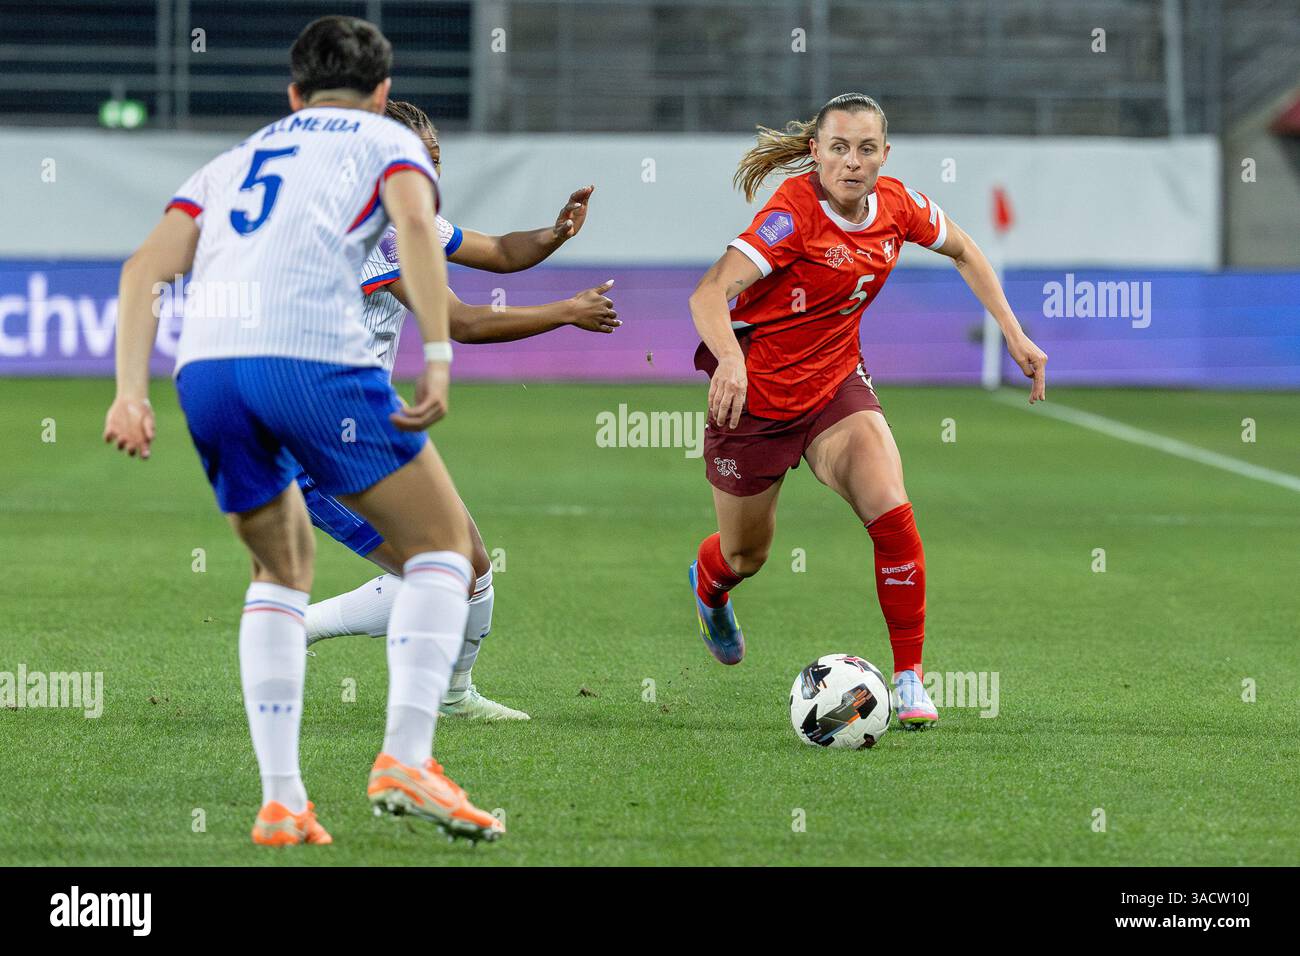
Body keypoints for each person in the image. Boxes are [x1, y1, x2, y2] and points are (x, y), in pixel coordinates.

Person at [104, 16, 503, 844]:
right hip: (309, 361)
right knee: (450, 554)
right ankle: (407, 757)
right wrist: (435, 353)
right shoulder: (382, 141)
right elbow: (418, 230)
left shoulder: (230, 161)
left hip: (207, 373)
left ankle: (283, 800)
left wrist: (128, 394)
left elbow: (143, 269)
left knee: (279, 571)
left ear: (292, 93)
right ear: (383, 93)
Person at [686, 93, 1048, 730]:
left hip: (834, 388)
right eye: (839, 148)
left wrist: (1014, 333)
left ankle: (908, 678)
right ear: (815, 152)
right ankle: (708, 586)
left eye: (866, 148)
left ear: (885, 155)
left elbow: (964, 249)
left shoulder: (899, 207)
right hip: (757, 400)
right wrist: (732, 362)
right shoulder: (791, 214)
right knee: (747, 556)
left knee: (890, 506)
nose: (852, 162)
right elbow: (710, 294)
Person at [303, 100, 619, 724]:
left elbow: (500, 251)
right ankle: (325, 640)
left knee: (462, 568)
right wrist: (565, 312)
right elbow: (460, 323)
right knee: (451, 568)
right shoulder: (365, 234)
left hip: (366, 426)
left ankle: (444, 693)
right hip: (318, 438)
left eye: (436, 158)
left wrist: (556, 233)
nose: (429, 172)